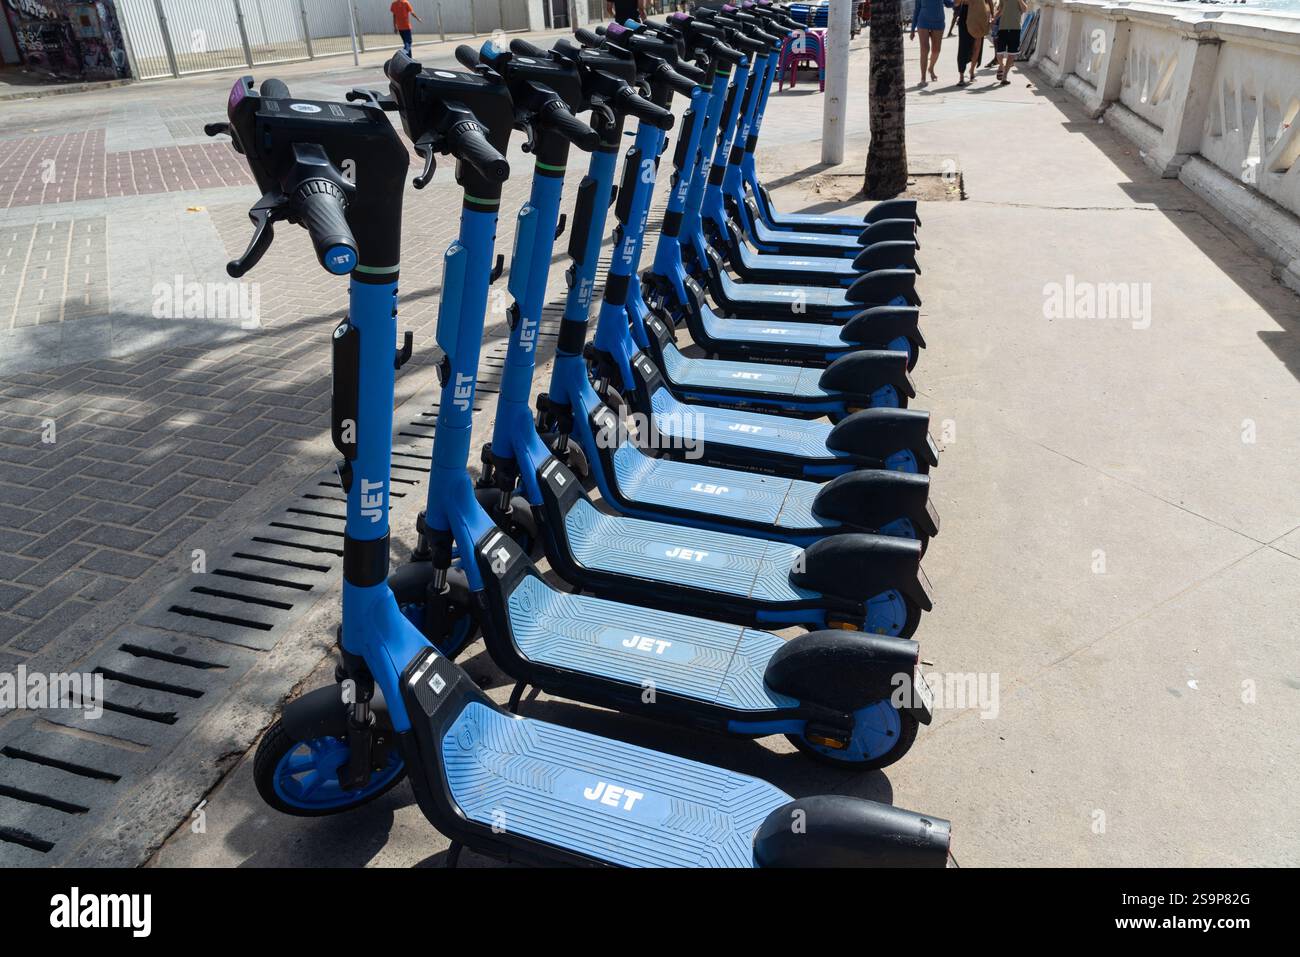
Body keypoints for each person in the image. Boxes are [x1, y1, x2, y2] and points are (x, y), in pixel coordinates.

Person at [910, 0, 947, 85]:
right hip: (923, 22)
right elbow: (917, 9)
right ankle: (923, 78)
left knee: (936, 50)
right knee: (925, 49)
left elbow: (949, 3)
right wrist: (912, 29)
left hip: (938, 22)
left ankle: (931, 68)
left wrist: (958, 2)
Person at [993, 0, 1028, 84]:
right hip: (1003, 27)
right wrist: (994, 18)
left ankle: (1004, 77)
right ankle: (1001, 66)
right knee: (999, 52)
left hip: (1015, 28)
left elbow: (1025, 9)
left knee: (1012, 54)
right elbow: (1001, 9)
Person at [955, 0, 990, 84]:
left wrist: (991, 15)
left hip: (979, 12)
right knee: (963, 46)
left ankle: (972, 71)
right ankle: (961, 75)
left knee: (977, 46)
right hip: (966, 12)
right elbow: (956, 3)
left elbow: (989, 1)